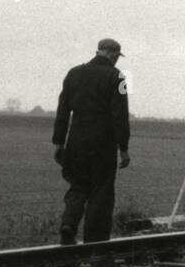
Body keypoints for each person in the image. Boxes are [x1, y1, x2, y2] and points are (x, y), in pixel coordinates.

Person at [53, 38, 131, 243]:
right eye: (117, 57)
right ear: (114, 54)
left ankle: (68, 225)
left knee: (77, 186)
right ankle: (95, 243)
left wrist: (59, 142)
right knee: (101, 192)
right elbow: (120, 115)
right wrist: (123, 147)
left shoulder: (73, 73)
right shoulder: (118, 77)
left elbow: (62, 110)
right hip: (103, 144)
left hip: (76, 141)